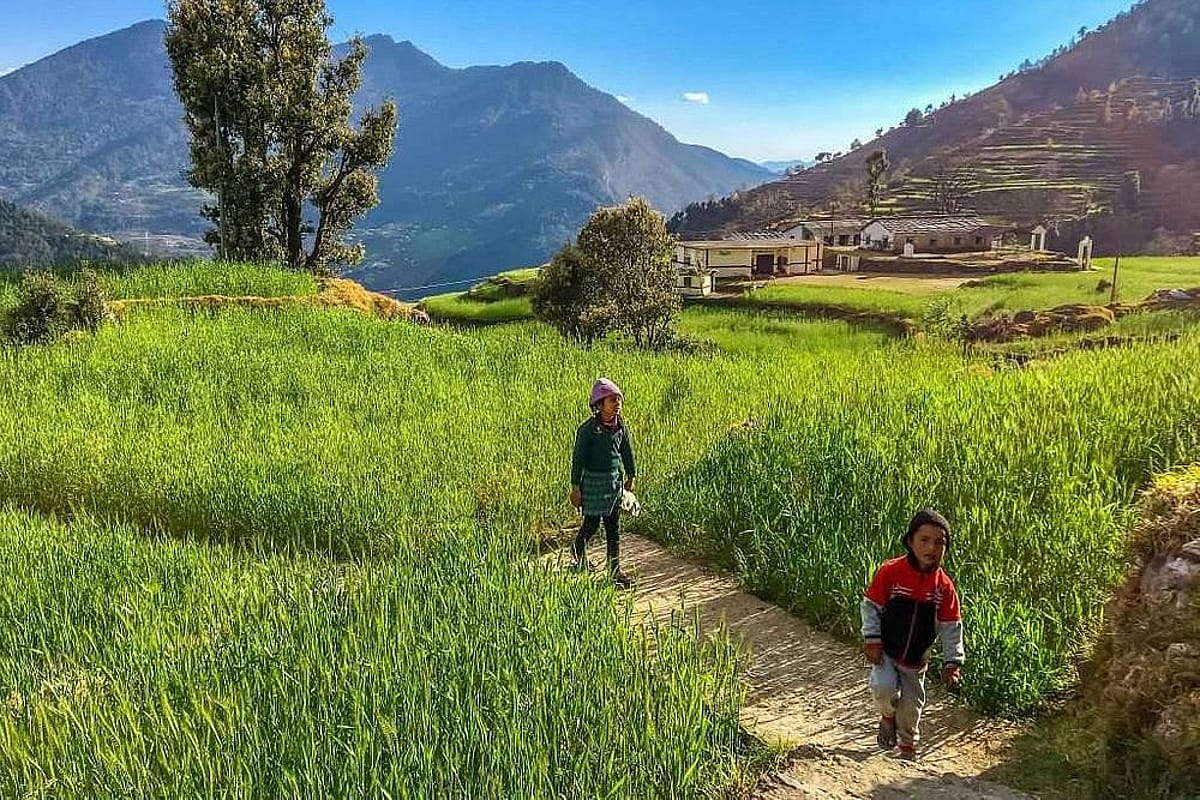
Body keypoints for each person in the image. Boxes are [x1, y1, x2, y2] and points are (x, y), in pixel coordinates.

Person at [861, 508, 965, 760]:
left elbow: (952, 626)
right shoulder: (891, 572)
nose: (931, 547)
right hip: (887, 651)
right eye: (924, 540)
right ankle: (887, 717)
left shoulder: (944, 587)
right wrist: (872, 639)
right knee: (884, 688)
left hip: (916, 660)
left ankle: (907, 748)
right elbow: (870, 606)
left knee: (911, 708)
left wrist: (953, 663)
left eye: (939, 542)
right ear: (910, 541)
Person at [570, 377, 636, 588]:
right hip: (592, 485)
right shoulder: (588, 430)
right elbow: (578, 459)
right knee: (591, 525)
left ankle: (615, 571)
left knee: (613, 529)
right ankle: (577, 551)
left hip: (613, 485)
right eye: (612, 401)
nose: (617, 405)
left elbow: (626, 451)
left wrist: (631, 475)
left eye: (619, 400)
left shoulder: (620, 427)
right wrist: (575, 488)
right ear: (599, 405)